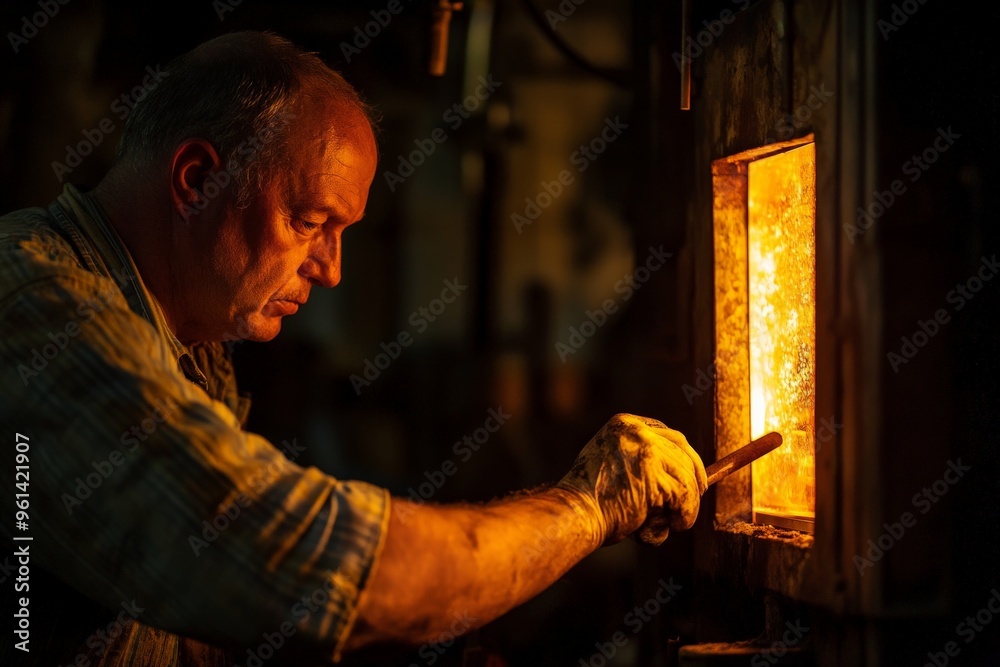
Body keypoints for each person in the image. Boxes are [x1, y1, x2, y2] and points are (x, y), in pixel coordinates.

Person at [0, 31, 706, 665]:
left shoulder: (189, 346)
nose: (331, 268)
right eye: (310, 222)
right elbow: (293, 562)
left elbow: (191, 611)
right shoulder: (32, 308)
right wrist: (589, 507)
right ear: (196, 178)